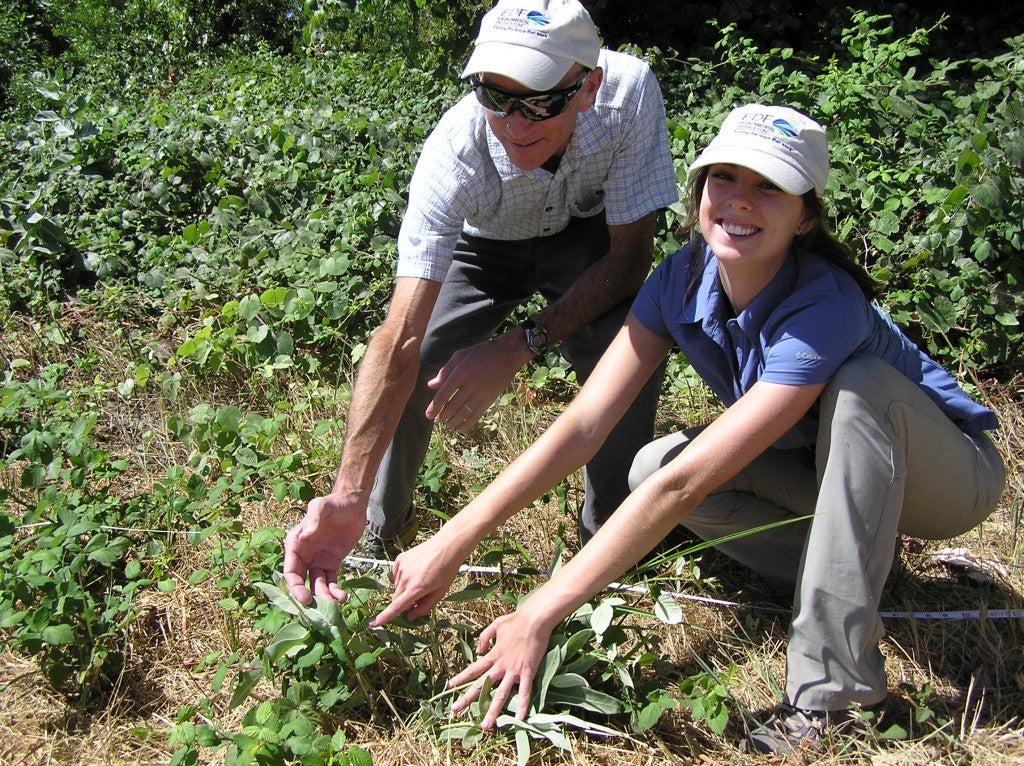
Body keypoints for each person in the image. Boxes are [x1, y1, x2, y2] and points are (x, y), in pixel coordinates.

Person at [369, 104, 1006, 754]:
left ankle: (839, 698)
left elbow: (686, 487)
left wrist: (540, 610)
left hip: (947, 478)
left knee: (858, 386)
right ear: (698, 192)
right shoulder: (679, 279)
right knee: (649, 464)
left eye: (769, 187)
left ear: (806, 216)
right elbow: (586, 422)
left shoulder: (825, 302)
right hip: (831, 473)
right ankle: (858, 569)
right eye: (723, 178)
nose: (740, 201)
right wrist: (452, 541)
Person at [282, 0, 677, 604]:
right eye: (495, 97)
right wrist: (345, 492)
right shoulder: (456, 151)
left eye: (541, 101)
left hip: (589, 240)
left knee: (625, 351)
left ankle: (610, 544)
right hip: (485, 247)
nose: (516, 125)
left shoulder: (628, 95)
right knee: (427, 355)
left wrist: (518, 345)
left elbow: (628, 257)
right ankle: (378, 528)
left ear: (587, 86)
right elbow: (399, 337)